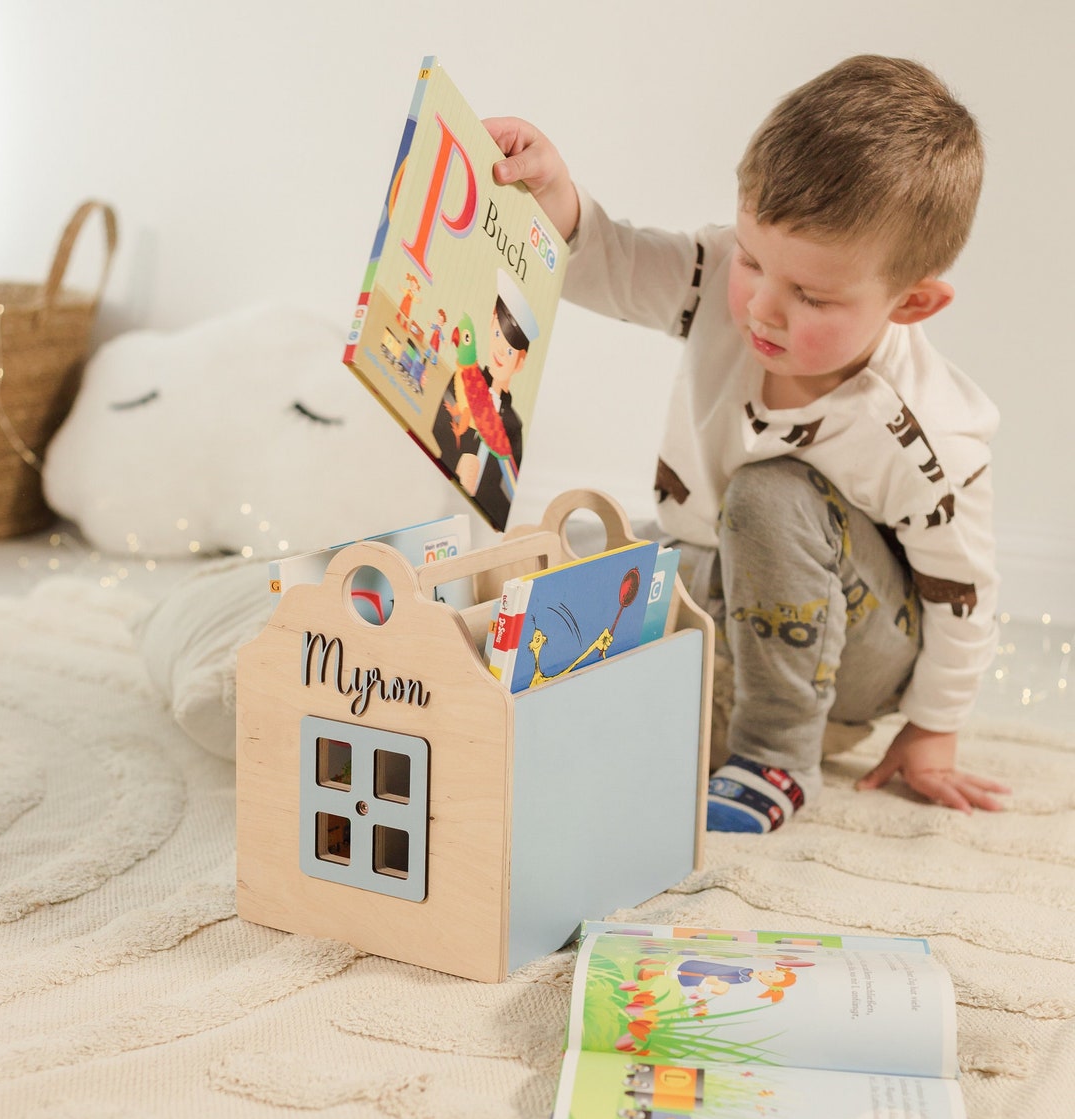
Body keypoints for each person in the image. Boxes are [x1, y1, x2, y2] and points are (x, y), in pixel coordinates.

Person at [485, 55, 1009, 832]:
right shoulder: (722, 282)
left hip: (861, 655)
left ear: (912, 303)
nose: (762, 307)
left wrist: (933, 732)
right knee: (586, 554)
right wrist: (557, 201)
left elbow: (960, 592)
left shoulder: (926, 434)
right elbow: (619, 265)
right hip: (732, 580)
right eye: (754, 259)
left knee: (770, 493)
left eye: (812, 296)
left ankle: (778, 755)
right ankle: (682, 695)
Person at [432, 268, 537, 531]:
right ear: (491, 325)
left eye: (511, 349)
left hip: (473, 528)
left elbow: (508, 490)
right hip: (433, 499)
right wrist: (461, 458)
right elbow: (437, 427)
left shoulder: (514, 424)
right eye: (498, 334)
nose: (501, 350)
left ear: (521, 361)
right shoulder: (464, 379)